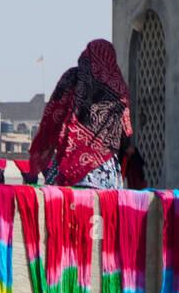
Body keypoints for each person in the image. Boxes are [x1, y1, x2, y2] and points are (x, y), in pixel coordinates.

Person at [28, 39, 145, 189]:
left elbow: (54, 114)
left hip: (68, 164)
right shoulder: (118, 88)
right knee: (102, 211)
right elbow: (125, 132)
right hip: (105, 174)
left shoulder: (73, 77)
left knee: (59, 209)